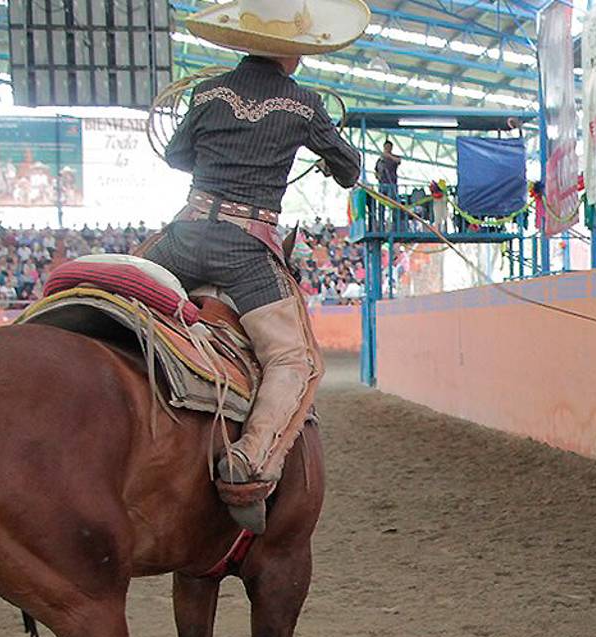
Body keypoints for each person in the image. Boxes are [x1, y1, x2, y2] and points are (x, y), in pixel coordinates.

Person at [137, 0, 364, 533]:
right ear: (295, 52)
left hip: (183, 236)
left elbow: (176, 156)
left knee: (107, 292)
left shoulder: (207, 92)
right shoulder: (304, 105)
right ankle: (251, 460)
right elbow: (350, 169)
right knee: (294, 360)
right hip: (243, 251)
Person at [374, 140, 401, 230]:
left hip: (392, 184)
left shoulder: (394, 158)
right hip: (382, 185)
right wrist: (378, 175)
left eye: (388, 147)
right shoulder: (380, 160)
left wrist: (388, 156)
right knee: (381, 206)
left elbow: (398, 161)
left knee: (394, 205)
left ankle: (395, 225)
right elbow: (376, 171)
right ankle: (381, 225)